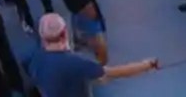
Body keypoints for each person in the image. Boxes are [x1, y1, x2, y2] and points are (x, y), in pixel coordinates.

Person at [25, 13, 159, 97]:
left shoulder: (34, 57)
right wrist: (147, 64)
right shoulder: (77, 63)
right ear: (65, 33)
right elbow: (117, 72)